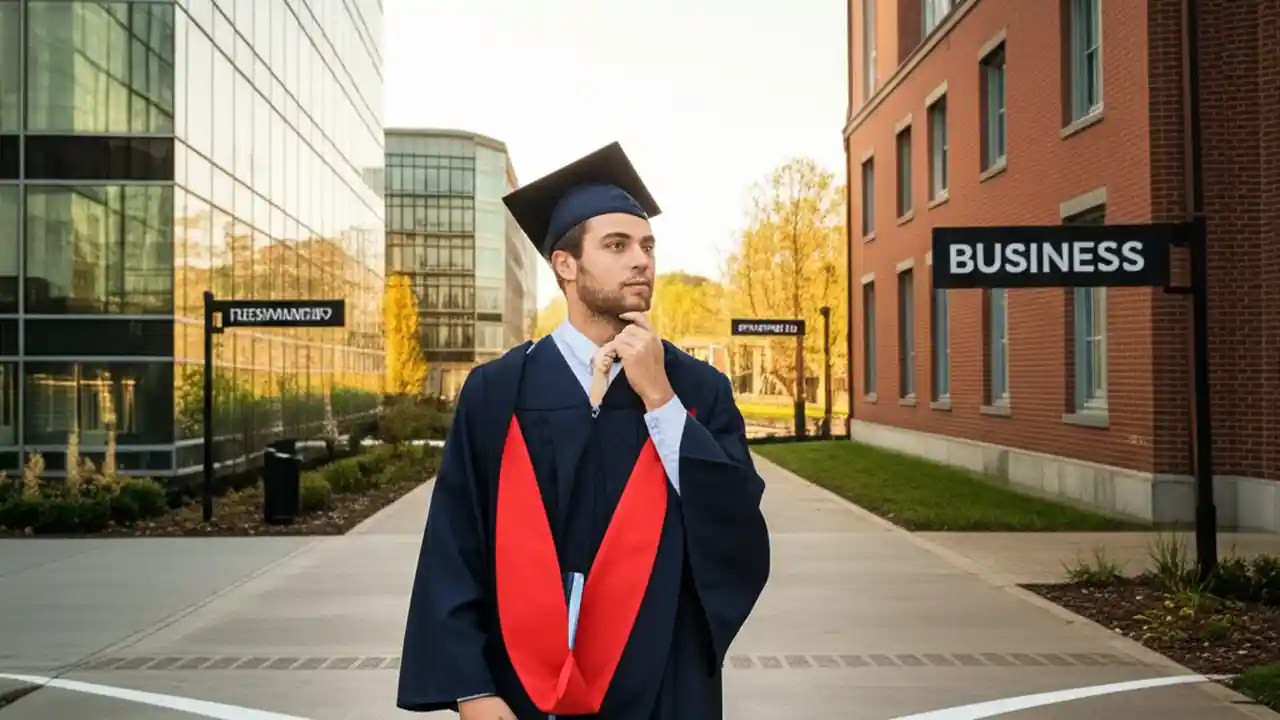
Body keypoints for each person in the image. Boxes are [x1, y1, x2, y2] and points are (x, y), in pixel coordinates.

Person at [396, 142, 771, 720]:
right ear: (565, 266)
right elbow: (455, 544)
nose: (641, 261)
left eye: (647, 245)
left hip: (661, 683)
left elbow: (737, 528)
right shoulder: (498, 393)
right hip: (520, 688)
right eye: (617, 246)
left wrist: (660, 401)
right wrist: (471, 689)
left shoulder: (697, 390)